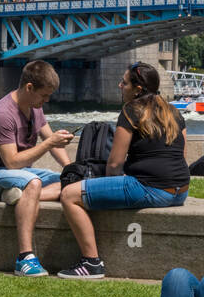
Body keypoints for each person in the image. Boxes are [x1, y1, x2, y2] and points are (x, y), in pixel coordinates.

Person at [58, 62, 189, 279]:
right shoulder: (173, 111)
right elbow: (181, 156)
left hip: (150, 188)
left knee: (69, 195)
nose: (120, 85)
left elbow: (114, 164)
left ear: (138, 89)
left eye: (124, 82)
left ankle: (91, 263)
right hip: (180, 190)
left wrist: (110, 189)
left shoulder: (131, 111)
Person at [0, 61, 73, 276]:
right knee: (33, 182)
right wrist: (48, 144)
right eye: (44, 96)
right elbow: (11, 162)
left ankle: (22, 198)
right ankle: (25, 258)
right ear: (29, 88)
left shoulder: (34, 107)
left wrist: (70, 169)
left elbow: (50, 138)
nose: (46, 101)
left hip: (22, 175)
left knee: (71, 184)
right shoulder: (2, 114)